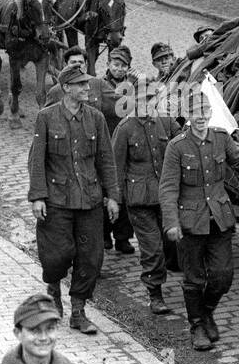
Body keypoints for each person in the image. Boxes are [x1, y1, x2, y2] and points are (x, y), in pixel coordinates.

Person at [160, 92, 239, 351]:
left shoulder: (220, 138)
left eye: (205, 110)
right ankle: (197, 325)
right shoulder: (177, 146)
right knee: (194, 278)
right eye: (195, 112)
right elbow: (167, 189)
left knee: (223, 276)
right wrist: (171, 223)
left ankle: (208, 310)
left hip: (220, 219)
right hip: (190, 223)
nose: (201, 116)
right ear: (188, 116)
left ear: (210, 112)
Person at [28, 63, 121, 335]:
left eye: (86, 83)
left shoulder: (96, 118)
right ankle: (54, 290)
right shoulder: (46, 118)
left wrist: (112, 196)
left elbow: (106, 159)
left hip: (89, 200)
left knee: (91, 258)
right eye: (80, 84)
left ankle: (78, 311)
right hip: (57, 199)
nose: (86, 88)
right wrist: (38, 197)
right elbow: (37, 160)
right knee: (57, 255)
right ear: (66, 88)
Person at [113, 82, 178, 316]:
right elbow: (116, 168)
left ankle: (172, 271)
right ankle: (155, 294)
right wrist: (115, 201)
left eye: (151, 98)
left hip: (166, 197)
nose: (147, 103)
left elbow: (182, 142)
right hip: (139, 201)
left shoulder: (165, 122)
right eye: (142, 99)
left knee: (173, 242)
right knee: (152, 249)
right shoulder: (125, 128)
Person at [99, 46, 135, 254]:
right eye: (116, 65)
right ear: (108, 65)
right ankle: (104, 234)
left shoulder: (130, 86)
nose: (119, 69)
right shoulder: (100, 85)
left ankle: (123, 237)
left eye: (124, 66)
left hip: (125, 147)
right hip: (106, 143)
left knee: (125, 192)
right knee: (105, 191)